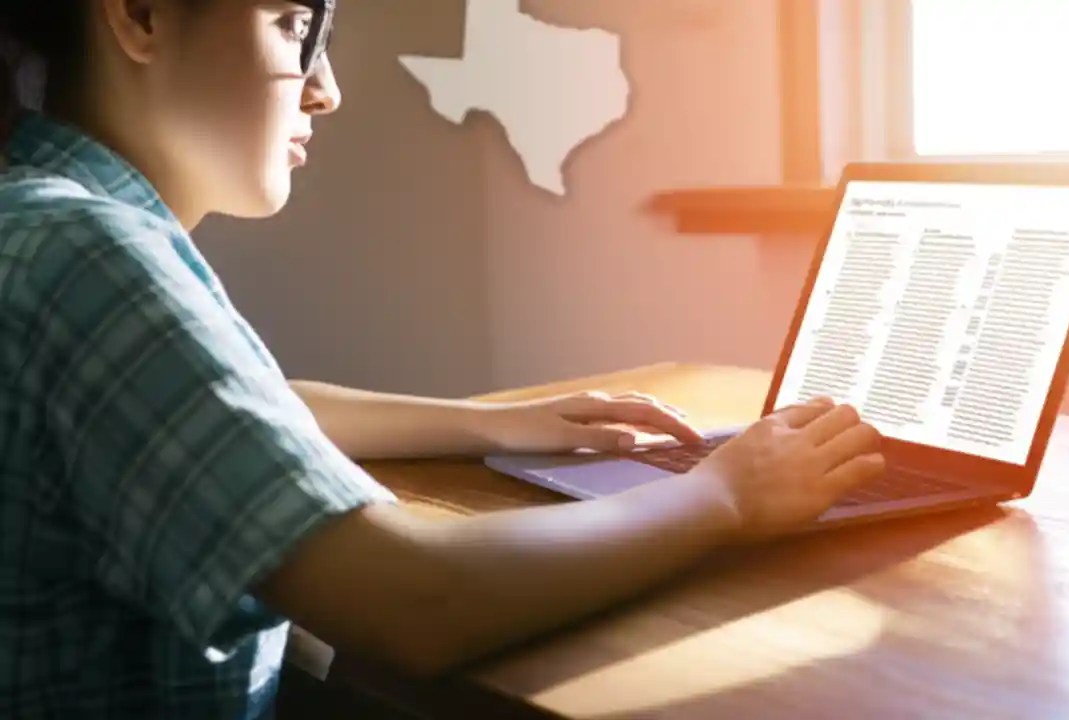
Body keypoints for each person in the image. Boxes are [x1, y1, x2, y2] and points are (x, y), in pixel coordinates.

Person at [0, 1, 887, 717]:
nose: (327, 90)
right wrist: (724, 494)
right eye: (291, 28)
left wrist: (493, 423)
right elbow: (416, 600)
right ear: (141, 16)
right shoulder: (86, 248)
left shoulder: (36, 218)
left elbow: (238, 405)